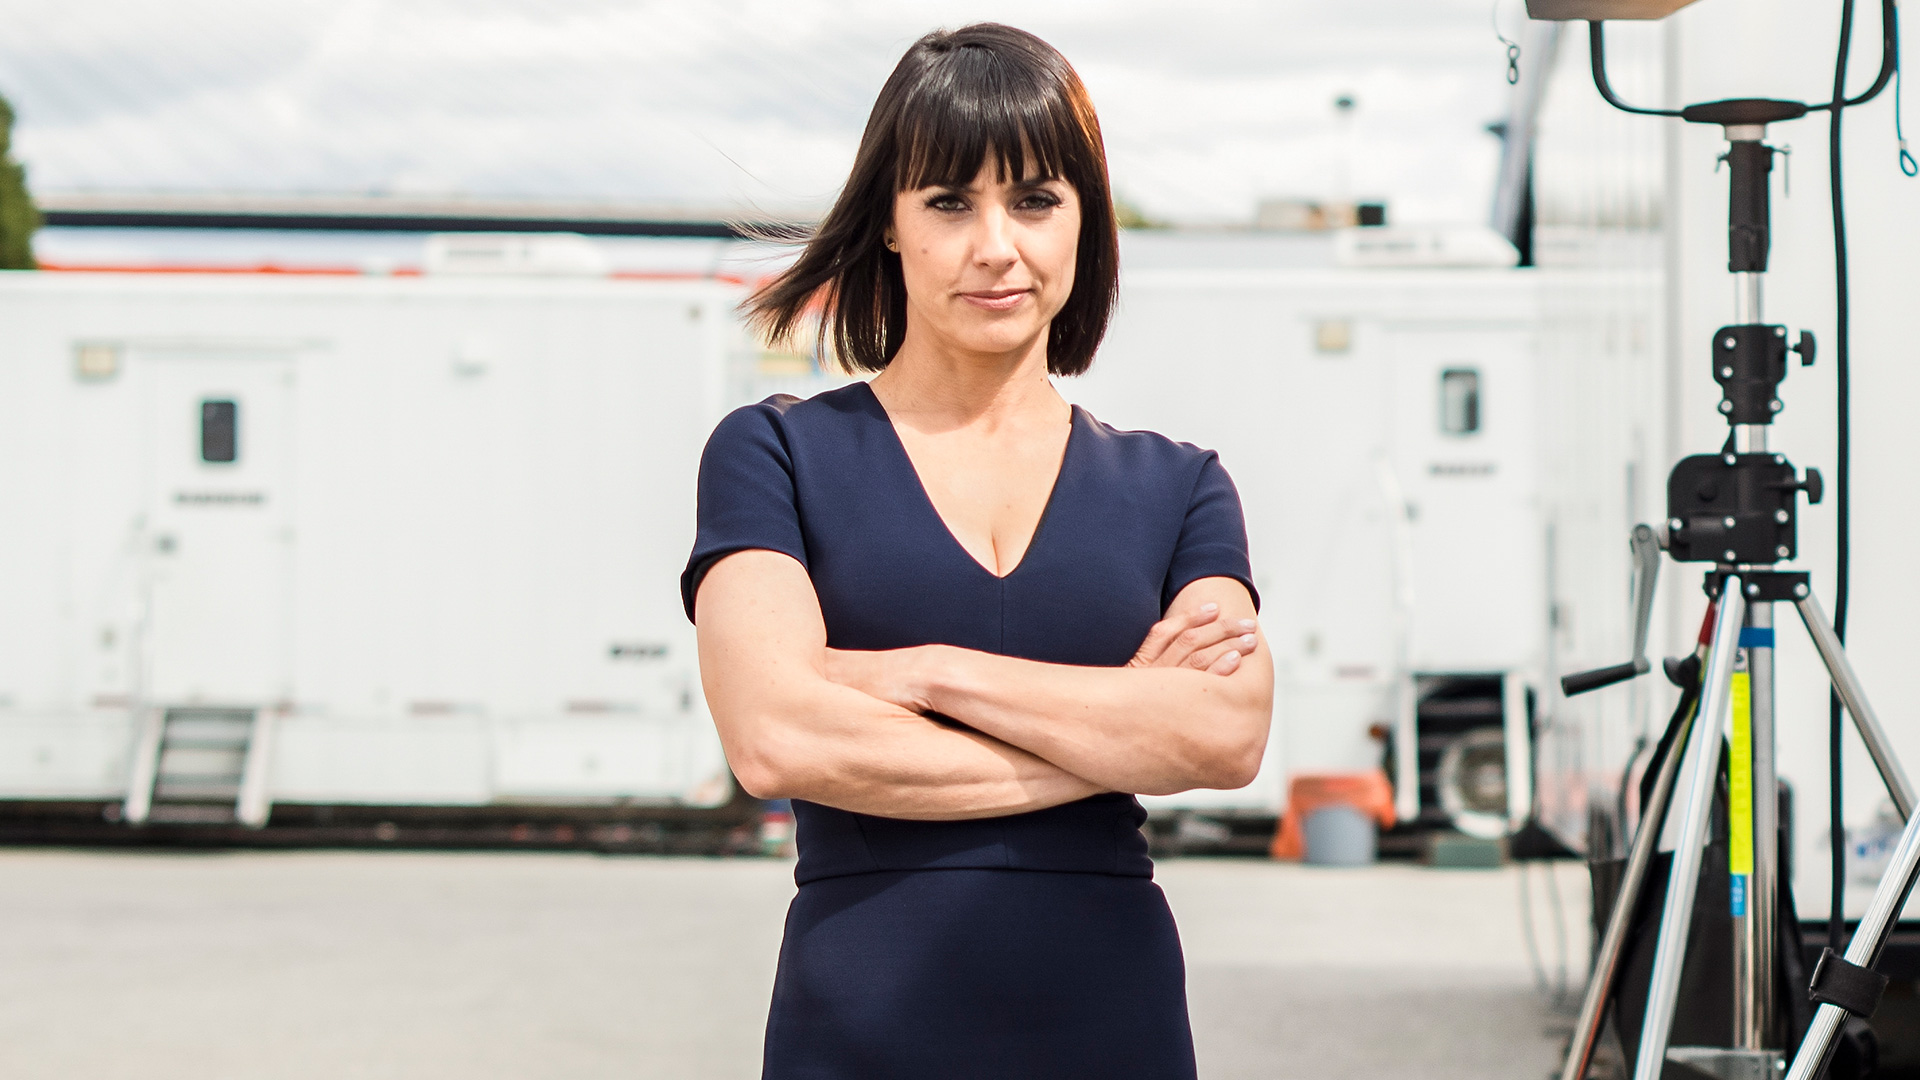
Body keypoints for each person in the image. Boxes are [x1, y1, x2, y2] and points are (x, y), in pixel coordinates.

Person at [681, 23, 1272, 1080]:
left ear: (1085, 222)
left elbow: (1224, 736)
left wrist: (924, 673)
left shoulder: (1179, 483)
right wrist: (1115, 734)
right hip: (859, 1027)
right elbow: (774, 737)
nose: (996, 245)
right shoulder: (775, 454)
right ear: (890, 222)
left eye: (1035, 200)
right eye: (950, 202)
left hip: (1115, 1024)